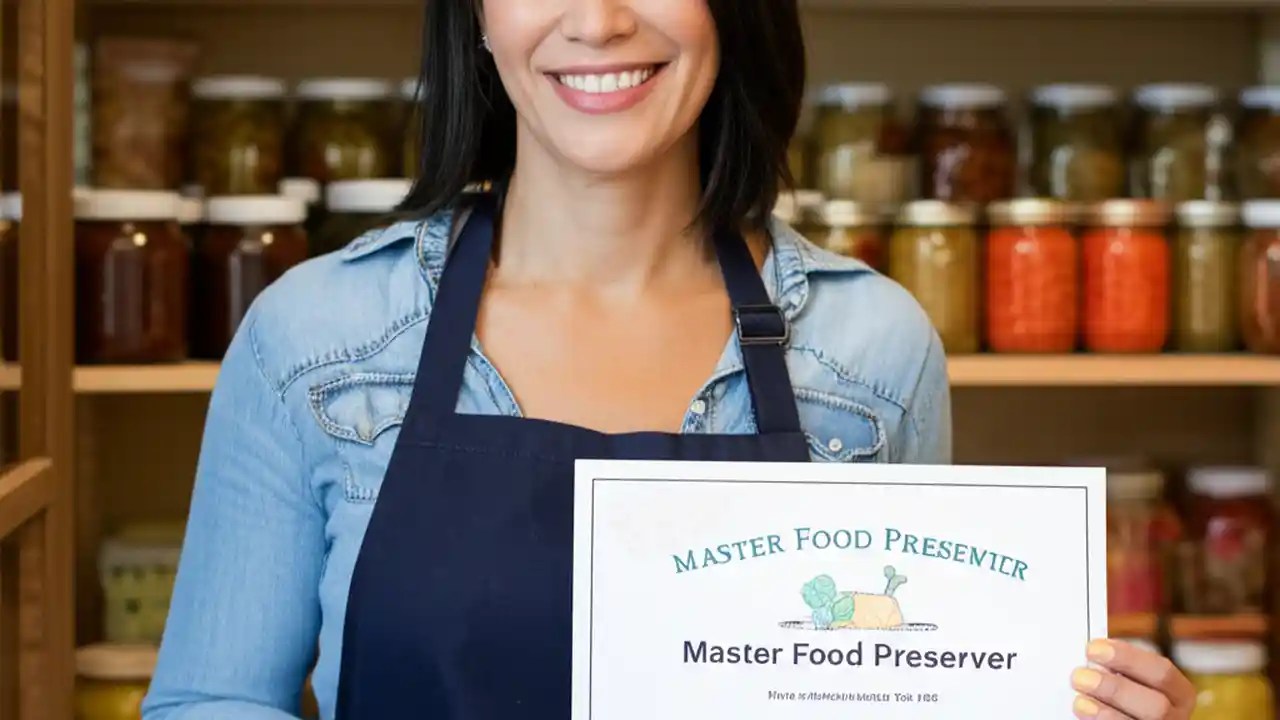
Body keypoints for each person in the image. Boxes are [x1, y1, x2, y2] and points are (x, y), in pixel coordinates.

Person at [142, 1, 1196, 718]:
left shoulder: (873, 350)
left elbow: (905, 685)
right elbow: (212, 701)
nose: (596, 20)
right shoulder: (314, 339)